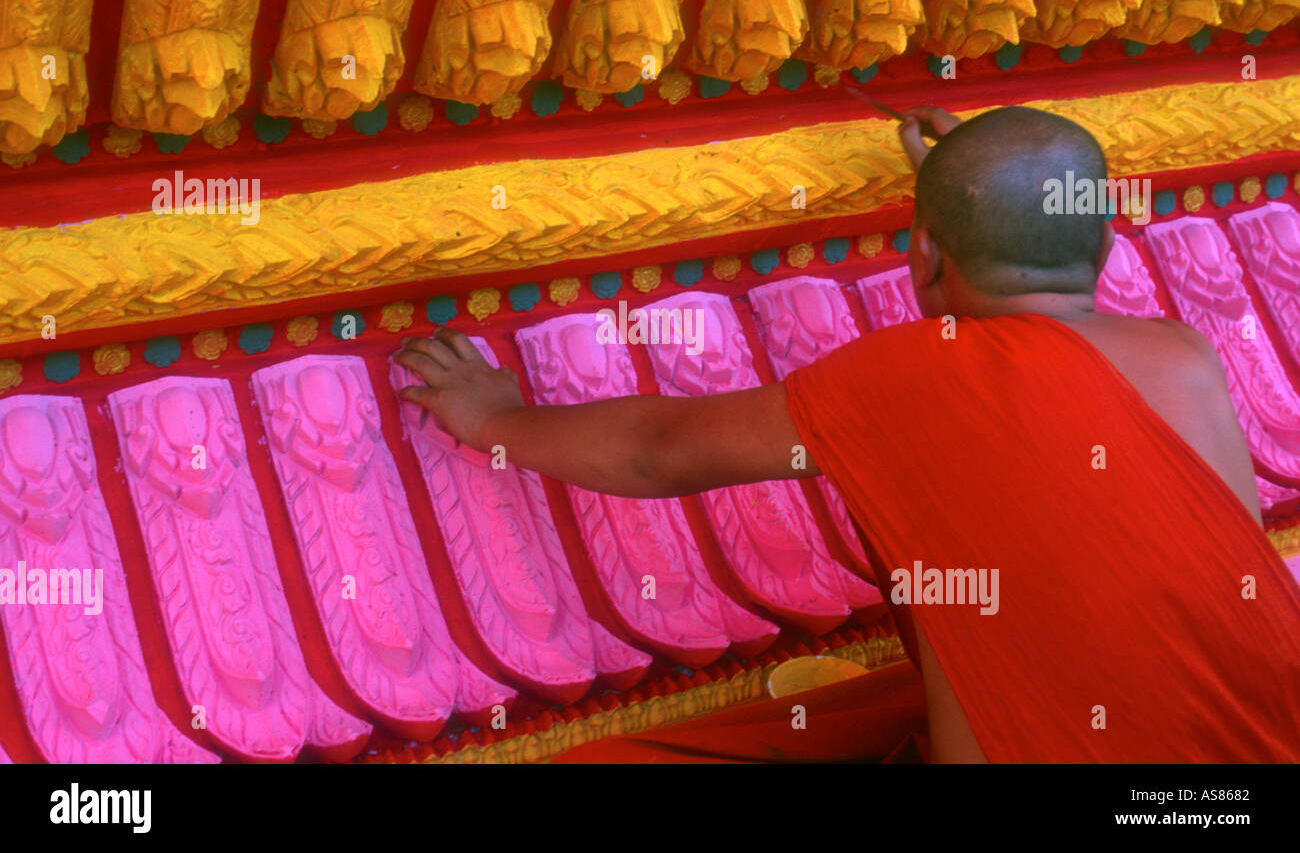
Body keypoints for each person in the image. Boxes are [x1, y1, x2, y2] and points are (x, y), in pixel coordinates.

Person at [394, 106, 1300, 762]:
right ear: (1102, 245)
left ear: (923, 255)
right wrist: (963, 195)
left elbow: (657, 448)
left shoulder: (907, 375)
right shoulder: (1186, 357)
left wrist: (493, 417)